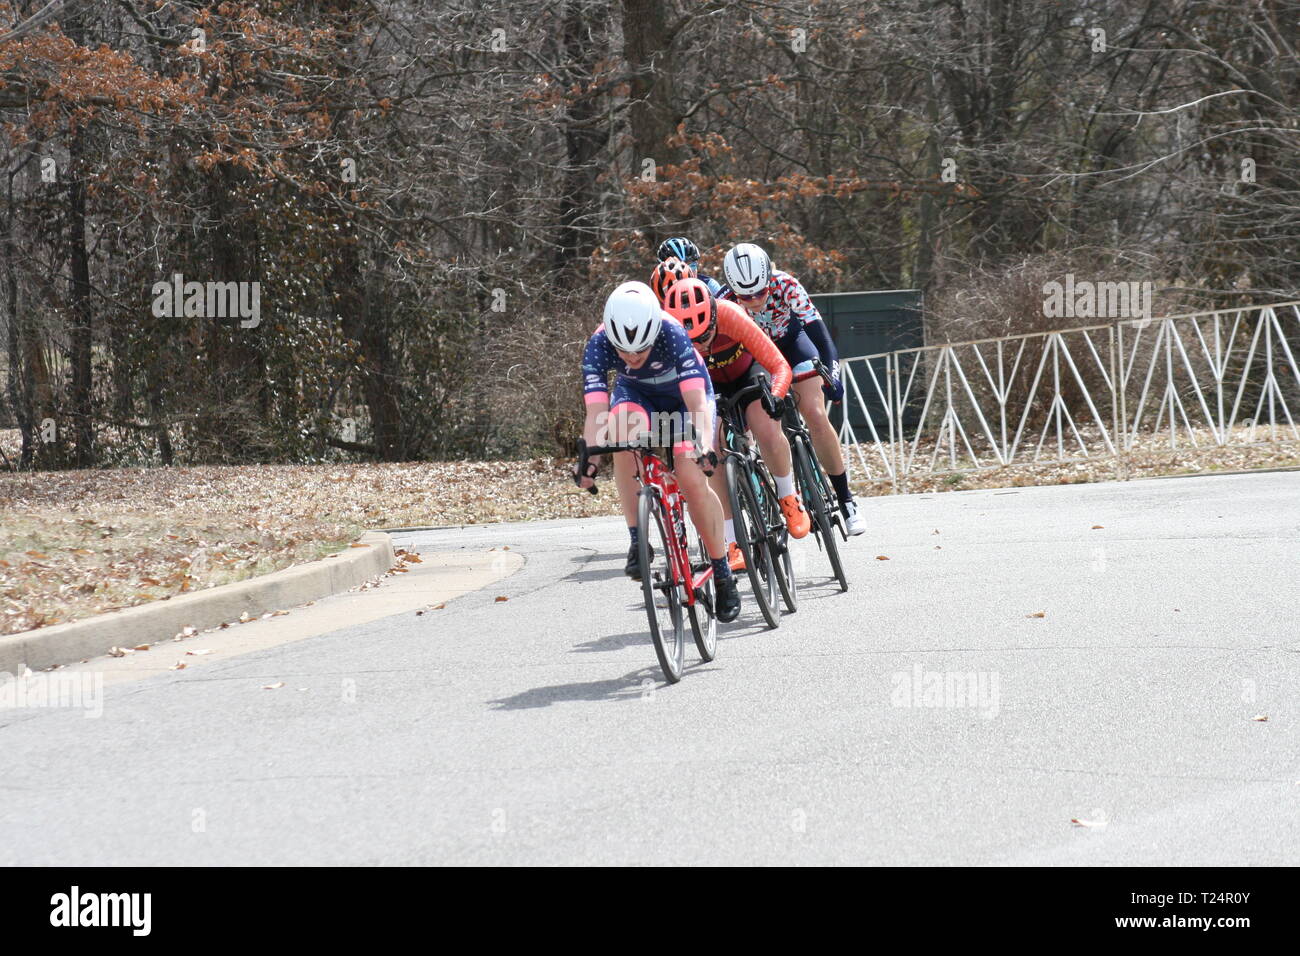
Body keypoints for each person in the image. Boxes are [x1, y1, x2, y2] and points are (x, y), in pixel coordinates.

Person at [575, 281, 742, 622]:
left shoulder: (672, 333)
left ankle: (722, 571)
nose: (632, 358)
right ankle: (637, 538)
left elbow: (697, 404)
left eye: (640, 351)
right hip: (638, 397)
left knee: (691, 477)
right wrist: (590, 458)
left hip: (684, 401)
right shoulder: (598, 344)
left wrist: (704, 447)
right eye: (624, 352)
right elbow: (596, 414)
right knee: (619, 433)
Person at [662, 277, 810, 571]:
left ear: (716, 315)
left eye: (707, 335)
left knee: (766, 425)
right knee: (711, 449)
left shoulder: (731, 313)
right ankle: (732, 540)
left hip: (749, 374)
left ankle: (787, 495)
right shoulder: (669, 338)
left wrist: (777, 395)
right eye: (695, 340)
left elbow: (779, 365)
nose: (703, 344)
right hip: (708, 389)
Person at [720, 242, 866, 536]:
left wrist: (833, 377)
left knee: (813, 412)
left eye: (760, 292)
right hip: (758, 359)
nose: (753, 300)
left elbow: (823, 340)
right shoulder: (725, 302)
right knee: (755, 427)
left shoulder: (786, 284)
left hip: (792, 345)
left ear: (768, 280)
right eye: (744, 295)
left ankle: (846, 499)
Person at [656, 236, 723, 295]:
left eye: (692, 265)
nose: (687, 272)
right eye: (676, 268)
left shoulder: (710, 285)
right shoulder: (657, 291)